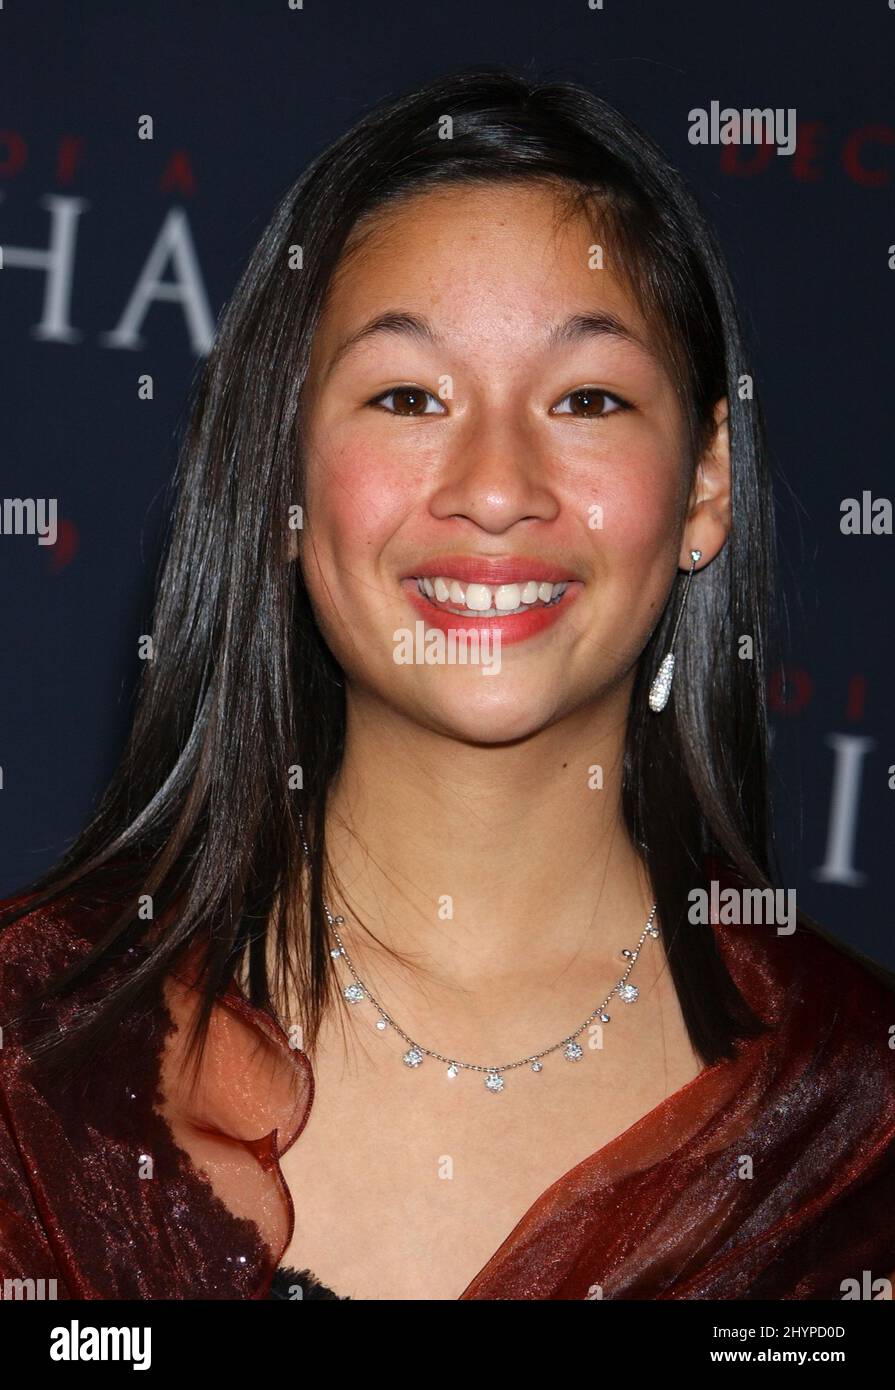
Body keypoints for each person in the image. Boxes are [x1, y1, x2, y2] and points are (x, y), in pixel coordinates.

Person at [1, 68, 893, 1303]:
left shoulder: (861, 1133)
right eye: (408, 395)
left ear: (702, 487)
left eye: (586, 398)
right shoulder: (27, 1061)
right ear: (280, 479)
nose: (494, 485)